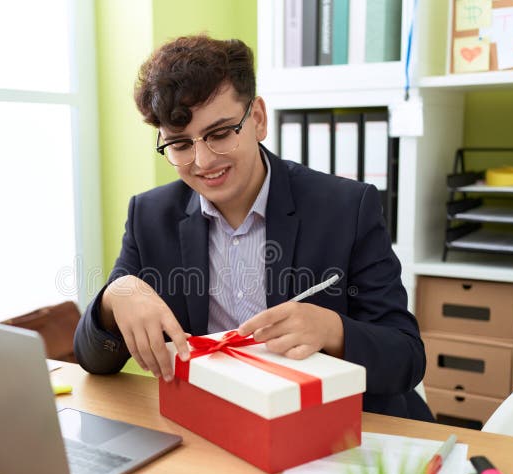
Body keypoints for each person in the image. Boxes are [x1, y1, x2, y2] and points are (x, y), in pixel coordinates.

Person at [74, 35, 433, 421]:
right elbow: (92, 358)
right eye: (180, 144)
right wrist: (114, 299)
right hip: (218, 427)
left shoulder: (347, 208)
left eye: (220, 133)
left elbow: (407, 357)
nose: (204, 160)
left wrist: (333, 330)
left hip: (336, 429)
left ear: (257, 119)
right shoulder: (150, 215)